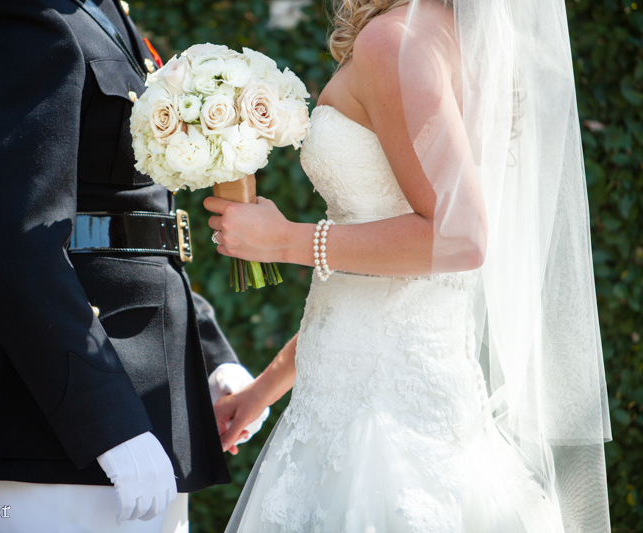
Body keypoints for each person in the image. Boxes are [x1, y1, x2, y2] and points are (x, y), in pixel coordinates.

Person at [206, 0, 613, 531]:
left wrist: (286, 241)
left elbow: (459, 238)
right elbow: (384, 283)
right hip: (382, 391)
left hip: (383, 428)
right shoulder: (453, 40)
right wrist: (266, 387)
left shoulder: (397, 39)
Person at [0, 0, 267, 531]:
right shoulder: (18, 19)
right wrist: (107, 422)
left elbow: (135, 218)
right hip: (64, 417)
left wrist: (210, 356)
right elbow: (16, 243)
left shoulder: (104, 11)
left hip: (151, 394)